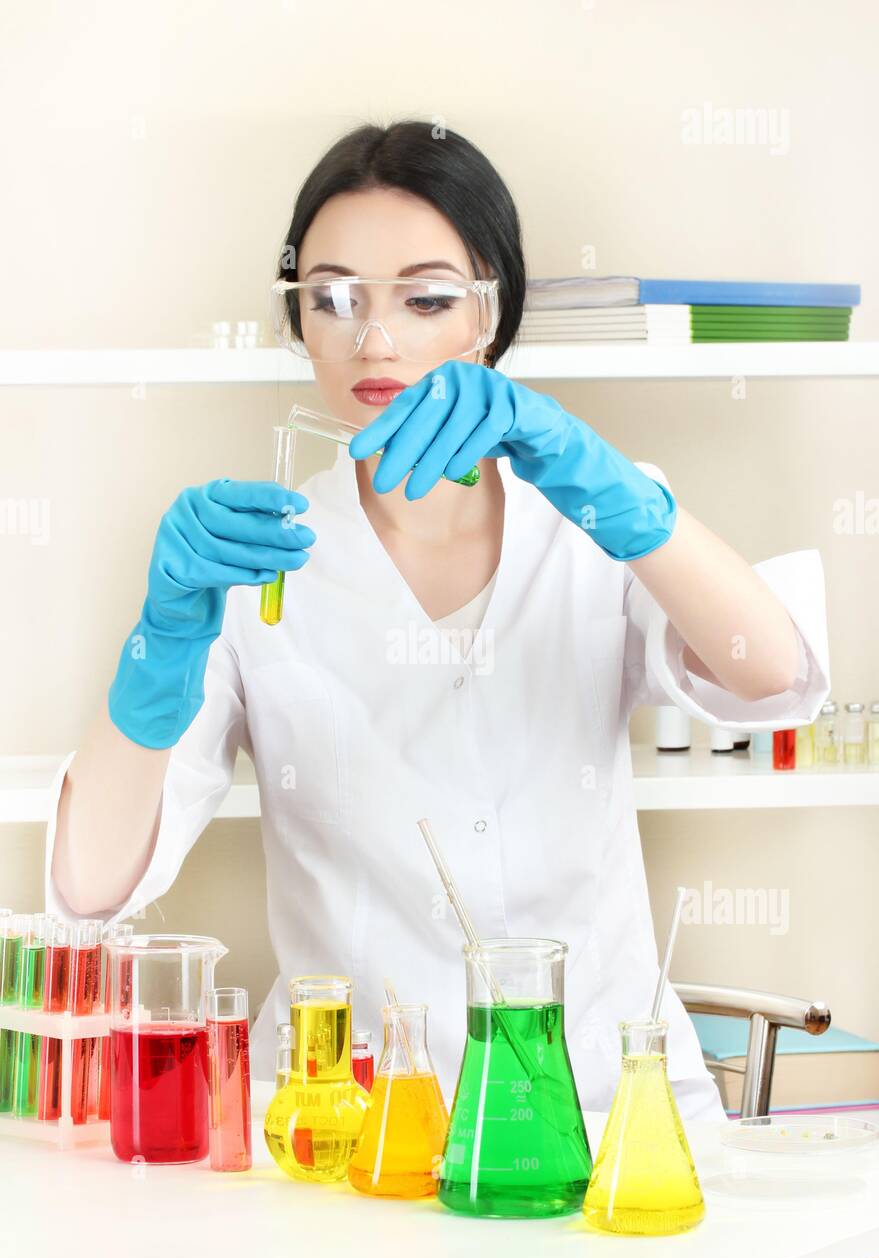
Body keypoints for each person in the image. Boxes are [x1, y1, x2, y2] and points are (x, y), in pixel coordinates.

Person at [47, 121, 830, 1119]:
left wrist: (622, 498)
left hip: (607, 1112)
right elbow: (86, 886)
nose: (373, 338)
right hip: (356, 1127)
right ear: (297, 322)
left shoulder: (591, 521)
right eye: (332, 298)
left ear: (490, 320)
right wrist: (161, 643)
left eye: (424, 298)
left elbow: (775, 678)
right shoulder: (252, 565)